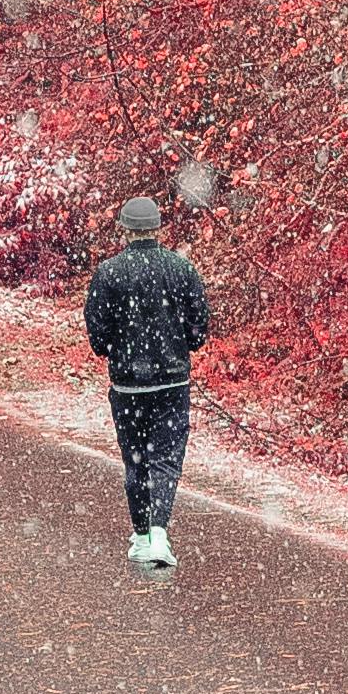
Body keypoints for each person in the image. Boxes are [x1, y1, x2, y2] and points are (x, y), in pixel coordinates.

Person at [82, 187, 212, 569]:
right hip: (172, 383)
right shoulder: (182, 269)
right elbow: (198, 329)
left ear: (125, 230)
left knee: (135, 460)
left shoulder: (109, 273)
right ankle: (159, 533)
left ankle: (141, 536)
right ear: (157, 228)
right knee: (166, 460)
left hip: (126, 385)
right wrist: (180, 344)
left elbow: (98, 334)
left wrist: (117, 350)